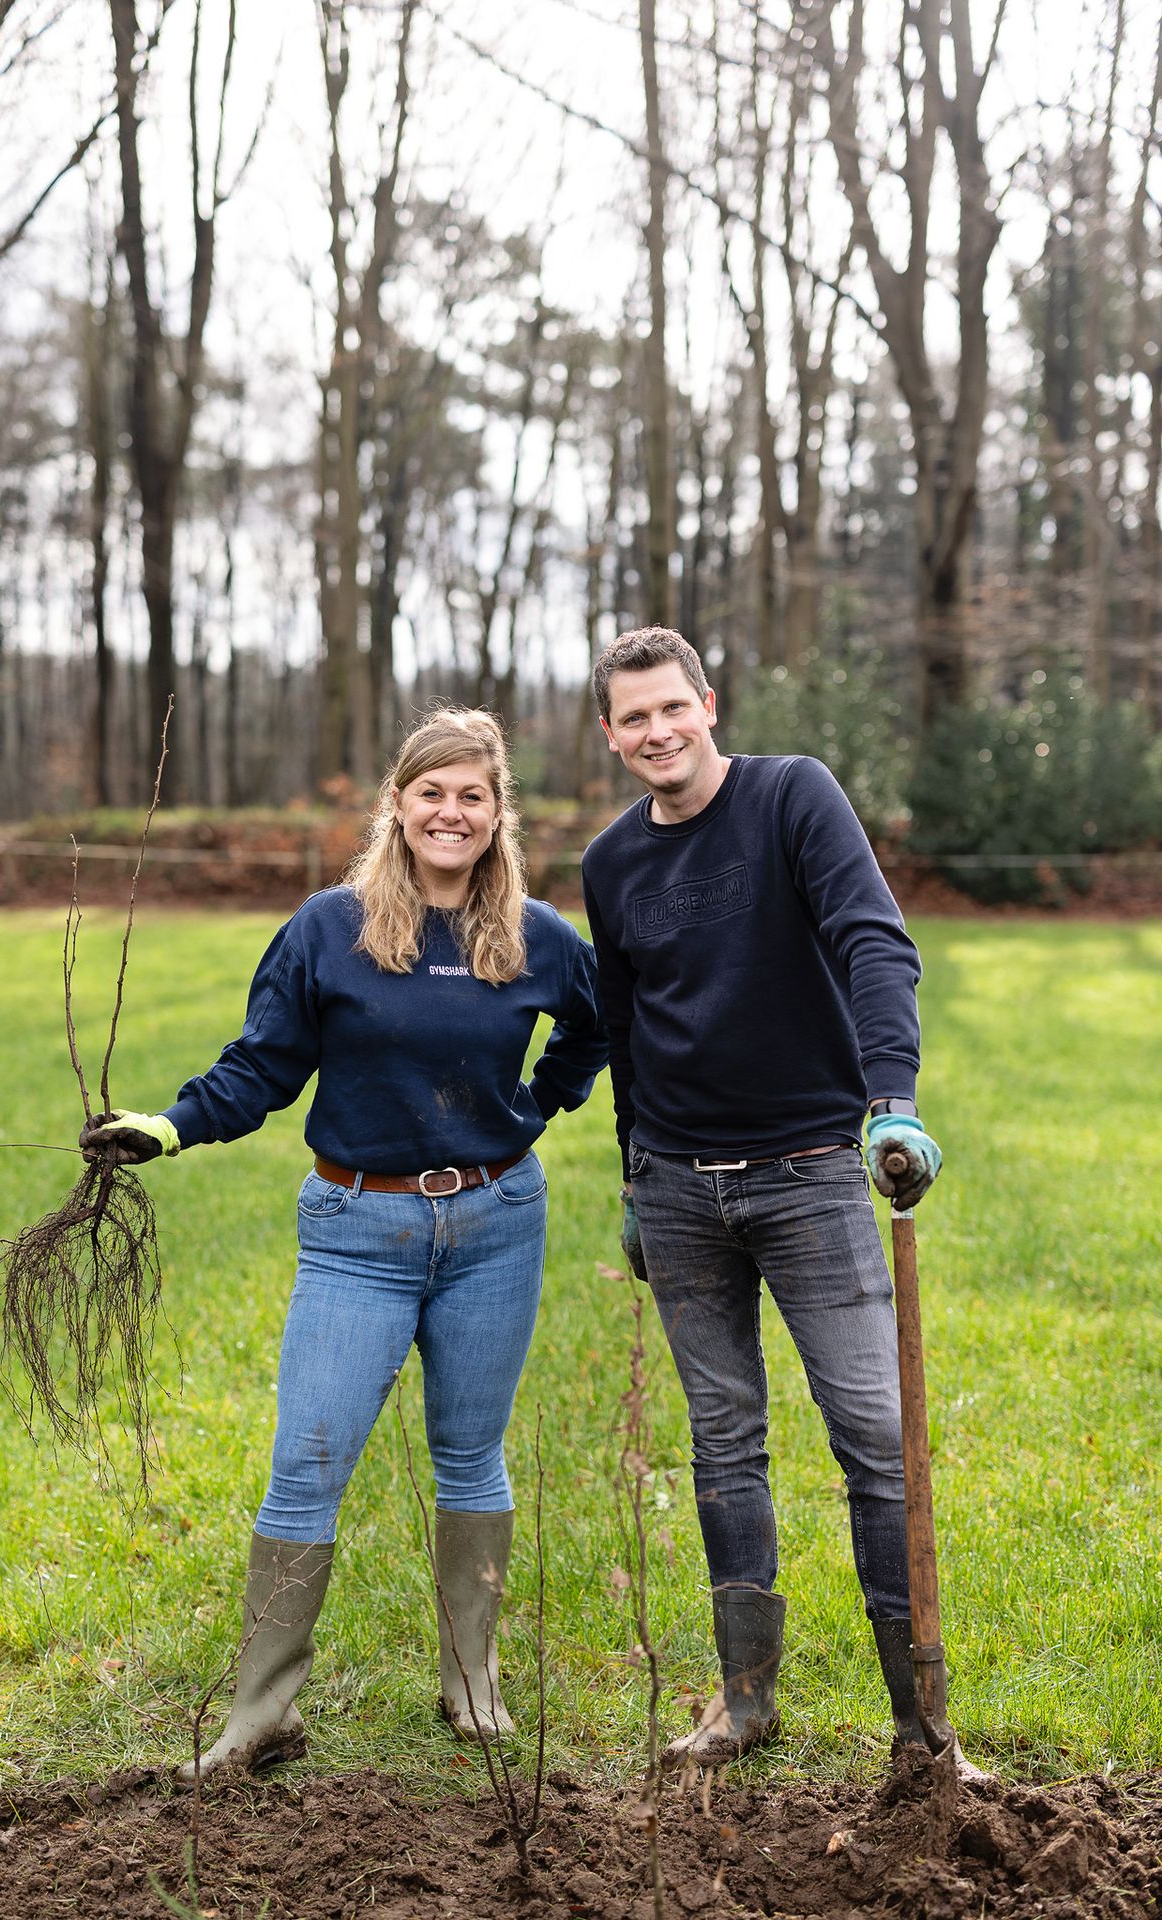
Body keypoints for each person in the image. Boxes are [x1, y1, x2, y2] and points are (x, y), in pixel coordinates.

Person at [80, 707, 606, 1777]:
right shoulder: (330, 927)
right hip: (355, 1229)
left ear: (499, 812)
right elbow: (261, 1066)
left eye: (472, 795)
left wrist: (542, 1103)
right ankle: (262, 1712)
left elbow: (598, 1027)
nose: (450, 812)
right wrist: (173, 1125)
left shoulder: (539, 938)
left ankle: (473, 1685)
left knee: (470, 1453)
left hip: (496, 1225)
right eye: (432, 792)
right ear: (398, 804)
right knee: (306, 1462)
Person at [580, 627, 943, 1769]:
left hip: (811, 1177)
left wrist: (891, 1098)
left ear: (708, 703)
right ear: (609, 735)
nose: (655, 733)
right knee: (724, 1442)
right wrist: (635, 1171)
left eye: (670, 709)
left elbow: (874, 941)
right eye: (632, 719)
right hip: (680, 1191)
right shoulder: (609, 862)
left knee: (877, 1441)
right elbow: (623, 1029)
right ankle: (745, 1703)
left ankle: (920, 1723)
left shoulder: (792, 799)